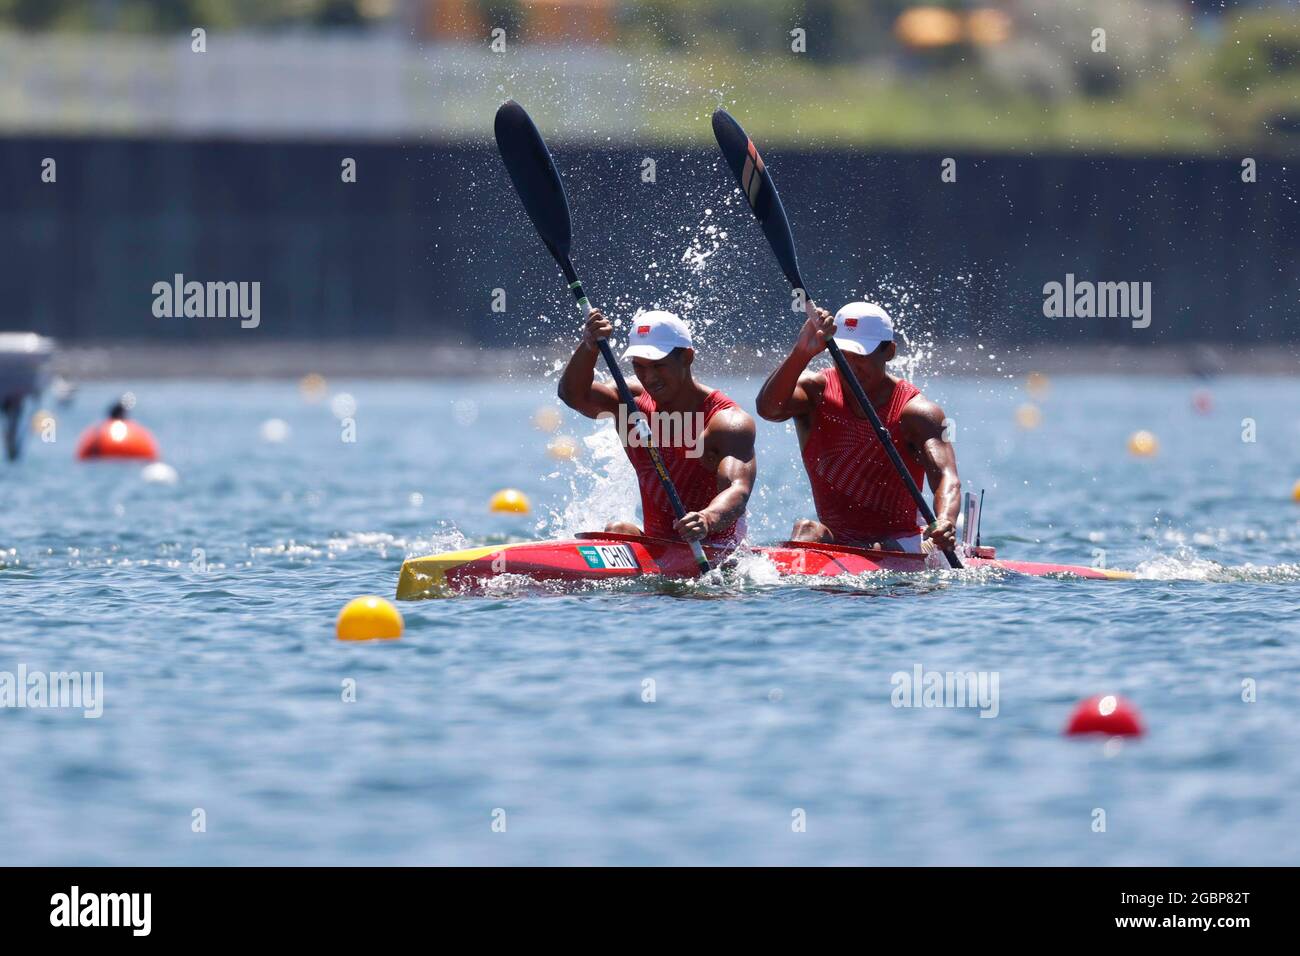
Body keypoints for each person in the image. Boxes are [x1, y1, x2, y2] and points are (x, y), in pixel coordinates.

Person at [755, 301, 960, 553]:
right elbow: (768, 410)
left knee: (879, 548)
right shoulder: (816, 391)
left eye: (861, 356)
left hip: (899, 542)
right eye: (843, 355)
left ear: (889, 352)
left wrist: (946, 521)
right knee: (806, 529)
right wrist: (801, 353)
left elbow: (946, 477)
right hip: (839, 536)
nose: (851, 367)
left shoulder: (918, 413)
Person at [557, 309, 756, 546]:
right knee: (616, 530)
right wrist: (589, 347)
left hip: (716, 545)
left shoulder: (726, 422)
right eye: (639, 366)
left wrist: (706, 519)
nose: (649, 377)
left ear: (687, 357)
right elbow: (573, 396)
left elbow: (738, 489)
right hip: (660, 543)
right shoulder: (629, 402)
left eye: (658, 366)